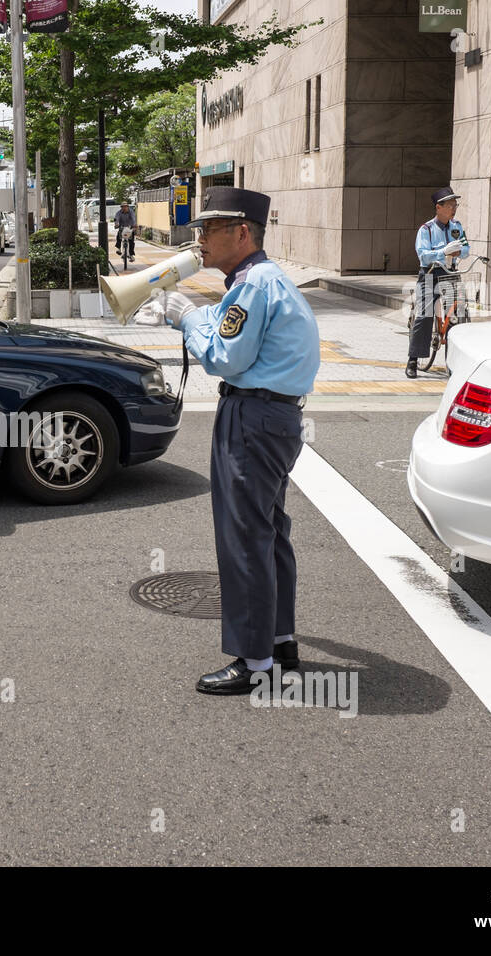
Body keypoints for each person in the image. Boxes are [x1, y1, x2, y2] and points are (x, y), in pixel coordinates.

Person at [161, 186, 321, 696]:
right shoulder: (262, 282)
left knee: (244, 538)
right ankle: (279, 643)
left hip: (251, 416)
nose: (199, 239)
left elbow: (224, 359)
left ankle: (255, 663)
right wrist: (196, 316)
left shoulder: (252, 287)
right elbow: (232, 338)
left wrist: (185, 317)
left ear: (242, 232)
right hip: (274, 416)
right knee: (268, 531)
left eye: (208, 229)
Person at [407, 187, 469, 378]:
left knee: (456, 317)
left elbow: (466, 248)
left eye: (455, 205)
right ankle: (413, 360)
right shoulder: (426, 230)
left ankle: (453, 362)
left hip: (450, 273)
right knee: (425, 315)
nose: (454, 209)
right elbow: (424, 256)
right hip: (430, 273)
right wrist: (442, 252)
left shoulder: (456, 226)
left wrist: (458, 251)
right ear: (438, 207)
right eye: (450, 205)